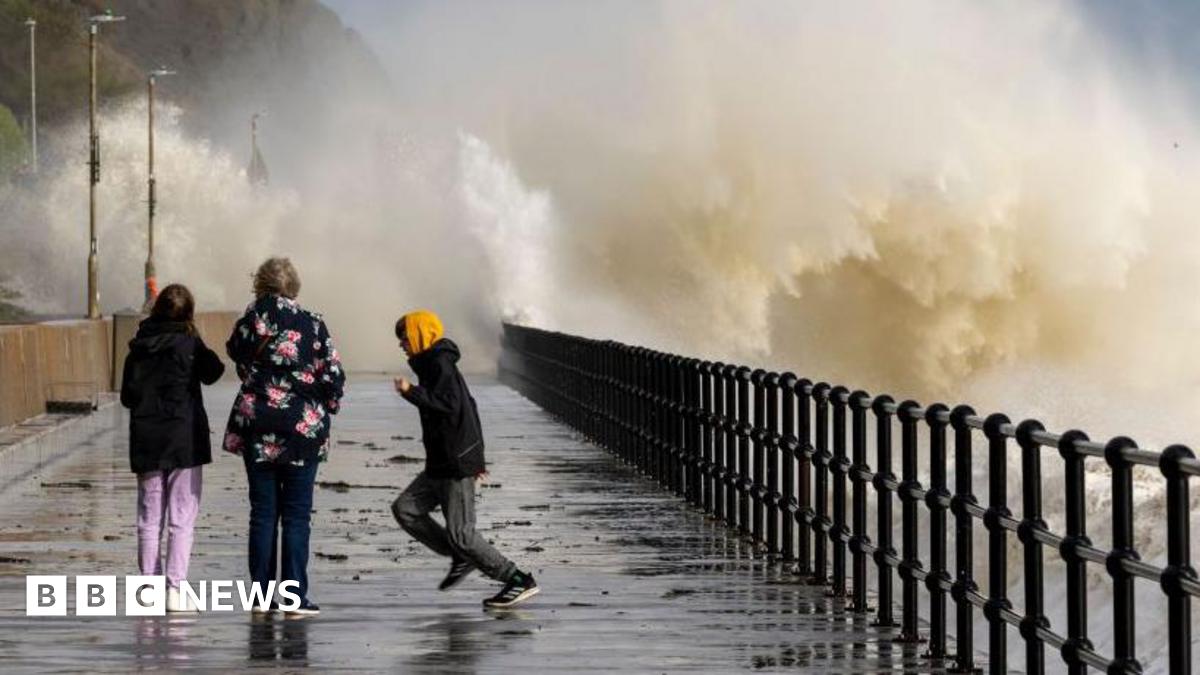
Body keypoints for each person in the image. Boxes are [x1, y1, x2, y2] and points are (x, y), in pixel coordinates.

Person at [390, 309, 540, 609]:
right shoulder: (431, 363)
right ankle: (461, 555)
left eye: (404, 337)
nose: (402, 344)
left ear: (420, 334)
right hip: (441, 463)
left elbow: (450, 405)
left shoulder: (439, 364)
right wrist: (479, 457)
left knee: (463, 534)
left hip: (455, 464)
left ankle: (517, 579)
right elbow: (469, 406)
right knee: (405, 508)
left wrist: (411, 392)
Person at [222, 257, 345, 616]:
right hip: (301, 428)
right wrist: (325, 407)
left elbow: (235, 353)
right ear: (294, 287)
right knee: (295, 516)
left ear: (260, 285)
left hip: (257, 422)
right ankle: (293, 599)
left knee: (262, 514)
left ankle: (260, 598)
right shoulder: (313, 323)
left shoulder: (250, 322)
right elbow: (334, 376)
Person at [121, 284, 225, 613]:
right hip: (184, 440)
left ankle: (148, 589)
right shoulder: (190, 343)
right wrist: (195, 339)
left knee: (149, 518)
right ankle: (174, 590)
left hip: (148, 439)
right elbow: (215, 372)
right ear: (188, 313)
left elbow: (127, 397)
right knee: (182, 518)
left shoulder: (137, 347)